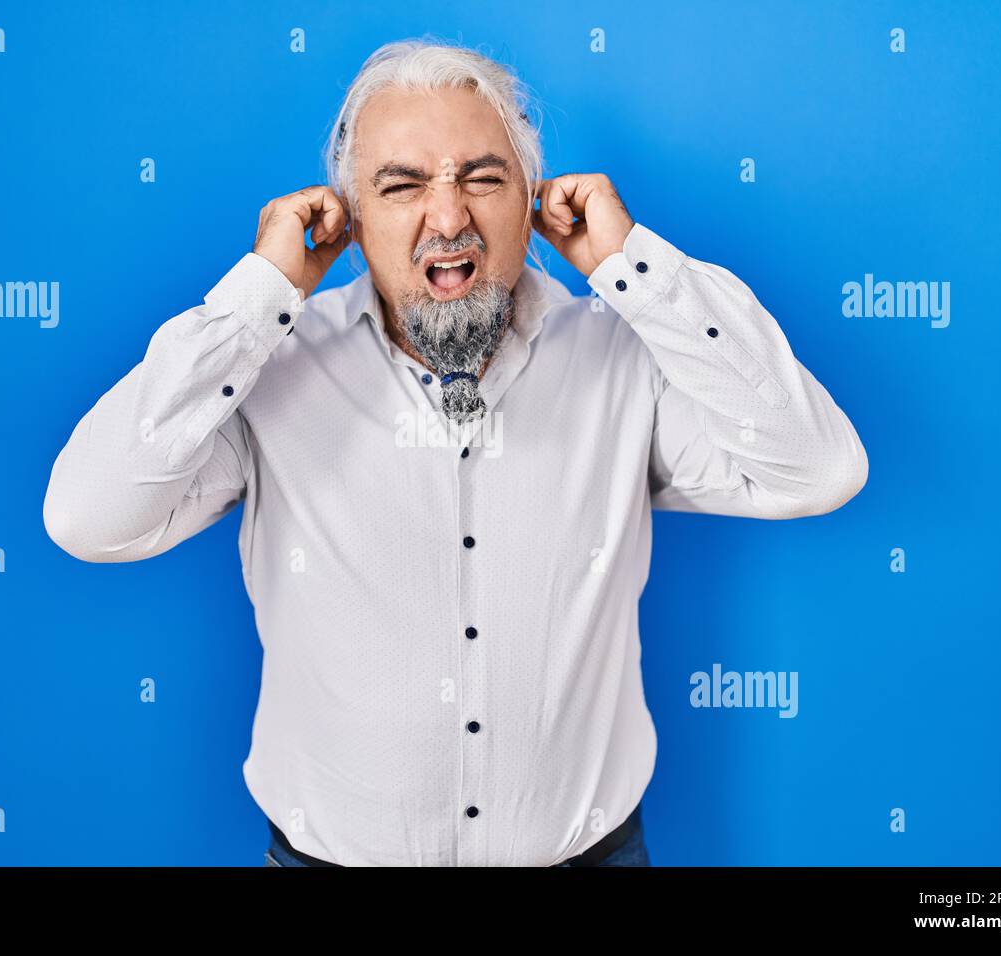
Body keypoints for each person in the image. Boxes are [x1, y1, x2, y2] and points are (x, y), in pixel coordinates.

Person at [42, 37, 868, 867]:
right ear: (351, 221)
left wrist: (634, 268)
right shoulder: (268, 373)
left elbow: (818, 467)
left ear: (532, 204)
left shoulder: (623, 360)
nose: (448, 218)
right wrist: (262, 294)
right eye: (400, 186)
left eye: (482, 178)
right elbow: (89, 518)